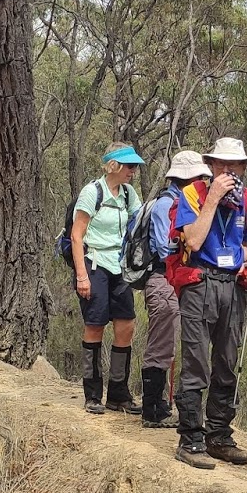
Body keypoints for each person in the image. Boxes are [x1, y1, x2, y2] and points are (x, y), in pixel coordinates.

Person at [168, 137, 247, 469]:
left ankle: (219, 434)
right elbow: (192, 240)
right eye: (221, 164)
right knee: (196, 361)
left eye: (234, 165)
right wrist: (213, 198)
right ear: (210, 166)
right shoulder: (192, 195)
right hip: (199, 281)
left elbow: (244, 245)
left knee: (227, 361)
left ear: (244, 168)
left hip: (232, 287)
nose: (227, 171)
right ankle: (190, 438)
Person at [70, 143, 146, 415]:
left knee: (126, 325)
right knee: (95, 324)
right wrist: (82, 276)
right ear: (113, 165)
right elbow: (77, 235)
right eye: (129, 166)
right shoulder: (93, 192)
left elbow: (140, 222)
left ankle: (118, 393)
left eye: (135, 167)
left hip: (120, 266)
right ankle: (92, 394)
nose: (133, 172)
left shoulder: (128, 194)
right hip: (94, 263)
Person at [140, 151, 211, 428]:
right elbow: (163, 246)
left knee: (173, 343)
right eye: (198, 177)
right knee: (161, 342)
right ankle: (152, 409)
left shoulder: (187, 203)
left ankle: (163, 406)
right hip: (161, 277)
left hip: (179, 278)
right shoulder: (164, 205)